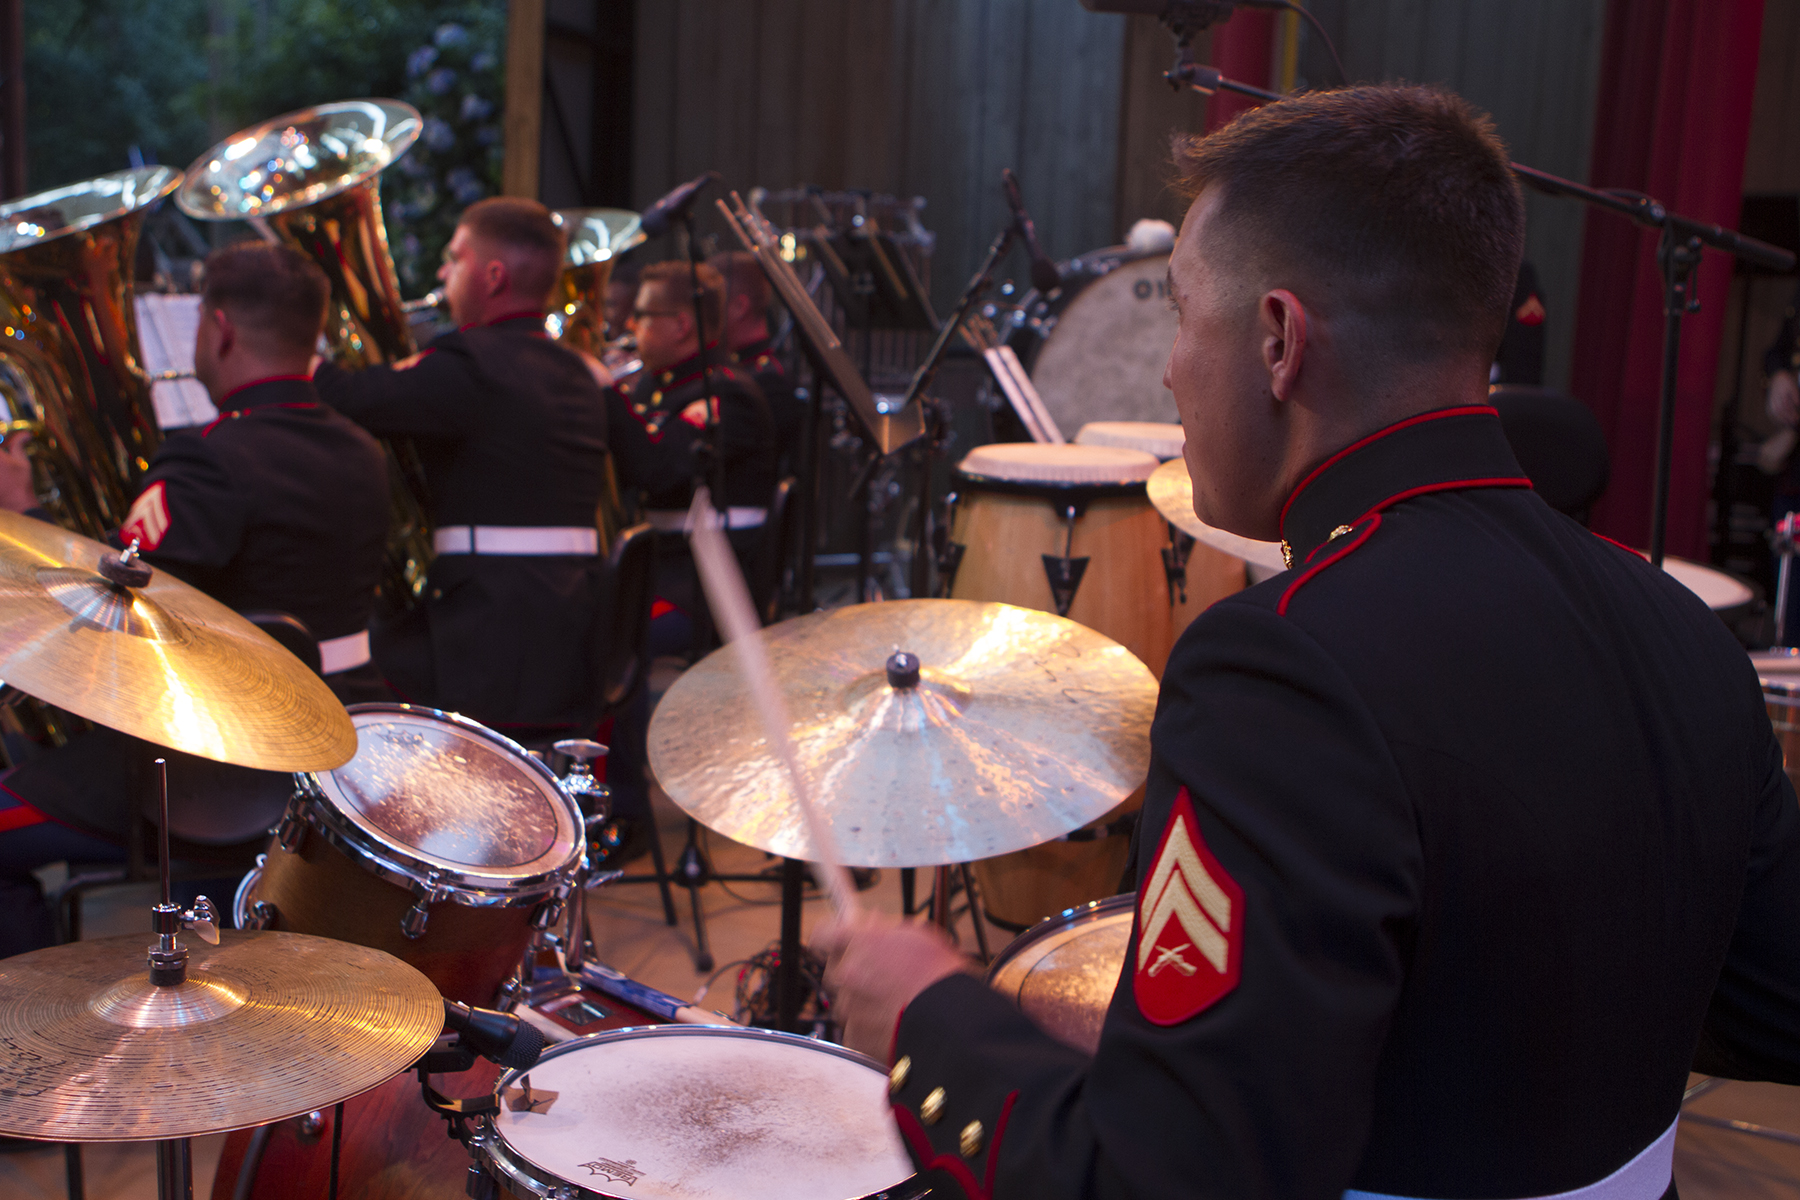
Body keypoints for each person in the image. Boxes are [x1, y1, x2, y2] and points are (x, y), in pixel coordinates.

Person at [818, 85, 1800, 1200]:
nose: (1170, 368)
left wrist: (929, 1022)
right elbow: (1778, 1009)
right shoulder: (1678, 623)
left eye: (1183, 317)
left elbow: (1166, 1182)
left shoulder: (1285, 666)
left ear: (1279, 339)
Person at [0, 242, 391, 956]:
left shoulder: (207, 459)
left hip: (209, 774)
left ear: (218, 328)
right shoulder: (366, 450)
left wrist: (26, 517)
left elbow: (103, 612)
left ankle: (29, 1040)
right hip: (343, 754)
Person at [314, 196, 614, 731]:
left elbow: (353, 396)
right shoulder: (579, 370)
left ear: (493, 276)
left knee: (352, 675)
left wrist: (296, 353)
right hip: (578, 623)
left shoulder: (470, 366)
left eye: (454, 259)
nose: (441, 272)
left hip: (492, 631)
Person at [709, 249, 805, 475]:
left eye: (710, 305)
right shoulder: (737, 369)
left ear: (740, 307)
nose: (702, 315)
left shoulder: (768, 381)